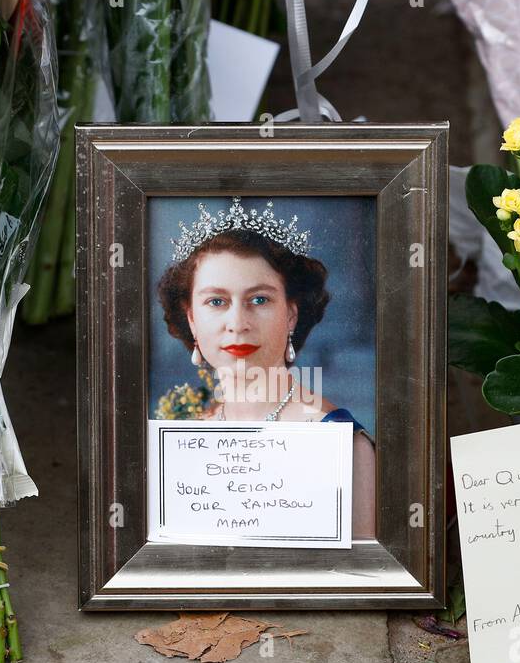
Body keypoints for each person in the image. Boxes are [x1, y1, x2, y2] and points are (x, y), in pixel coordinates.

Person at [157, 199, 377, 539]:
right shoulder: (186, 435)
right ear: (191, 319)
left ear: (291, 314)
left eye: (259, 299)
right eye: (217, 301)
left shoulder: (343, 444)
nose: (237, 323)